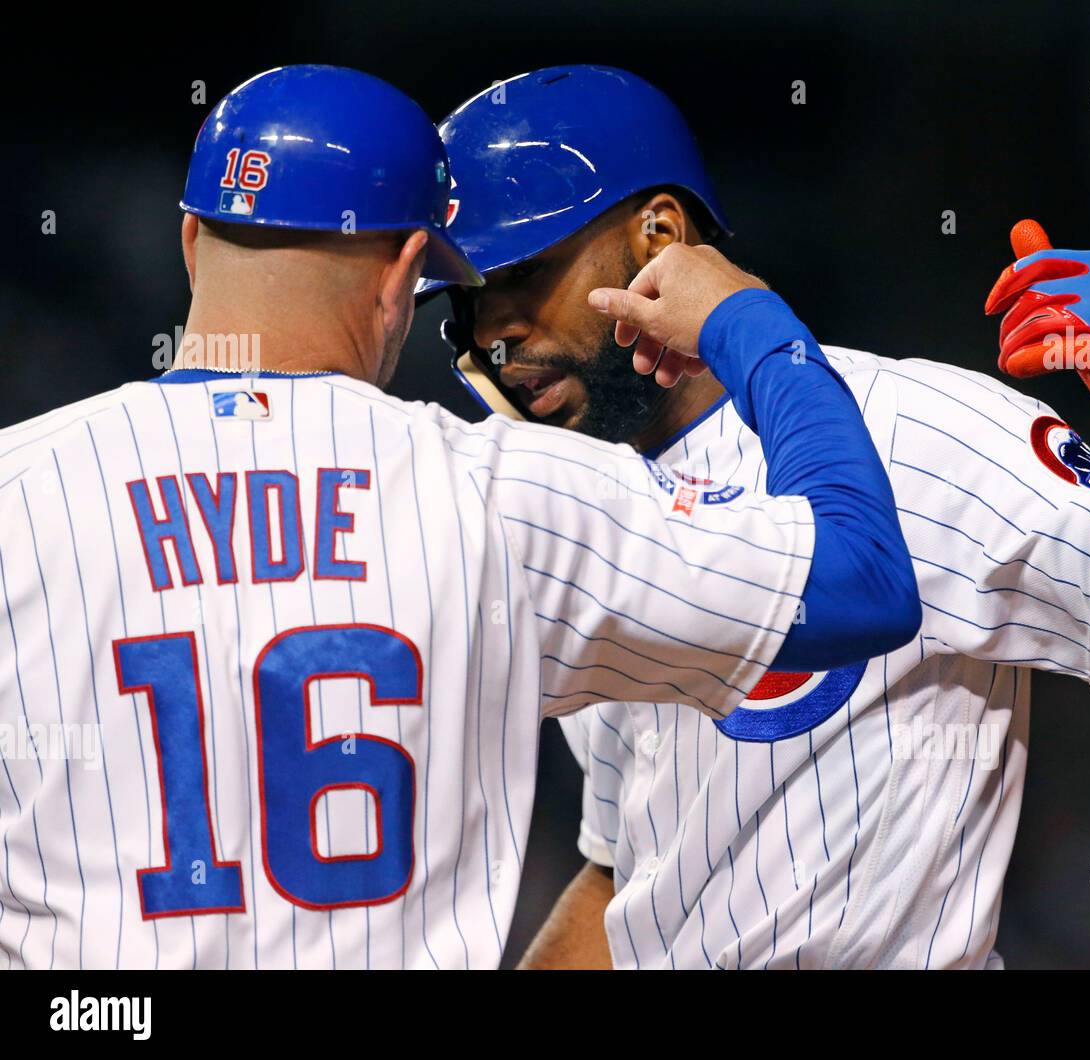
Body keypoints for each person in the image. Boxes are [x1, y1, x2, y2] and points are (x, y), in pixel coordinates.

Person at [0, 65, 920, 969]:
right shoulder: (501, 495)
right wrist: (751, 322)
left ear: (193, 242)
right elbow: (863, 581)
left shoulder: (20, 492)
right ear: (403, 270)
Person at [422, 65, 1090, 969]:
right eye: (463, 300)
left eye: (515, 272)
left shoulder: (912, 424)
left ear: (660, 233)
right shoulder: (584, 508)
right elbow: (625, 875)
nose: (490, 331)